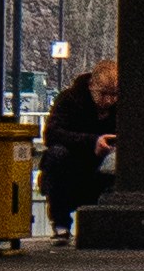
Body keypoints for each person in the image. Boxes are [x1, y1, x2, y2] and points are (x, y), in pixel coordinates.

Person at [38, 57, 118, 228]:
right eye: (103, 94)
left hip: (102, 168)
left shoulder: (121, 108)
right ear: (91, 86)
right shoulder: (70, 100)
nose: (109, 100)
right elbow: (52, 133)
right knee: (57, 156)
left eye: (114, 95)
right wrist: (91, 142)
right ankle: (61, 223)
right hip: (72, 163)